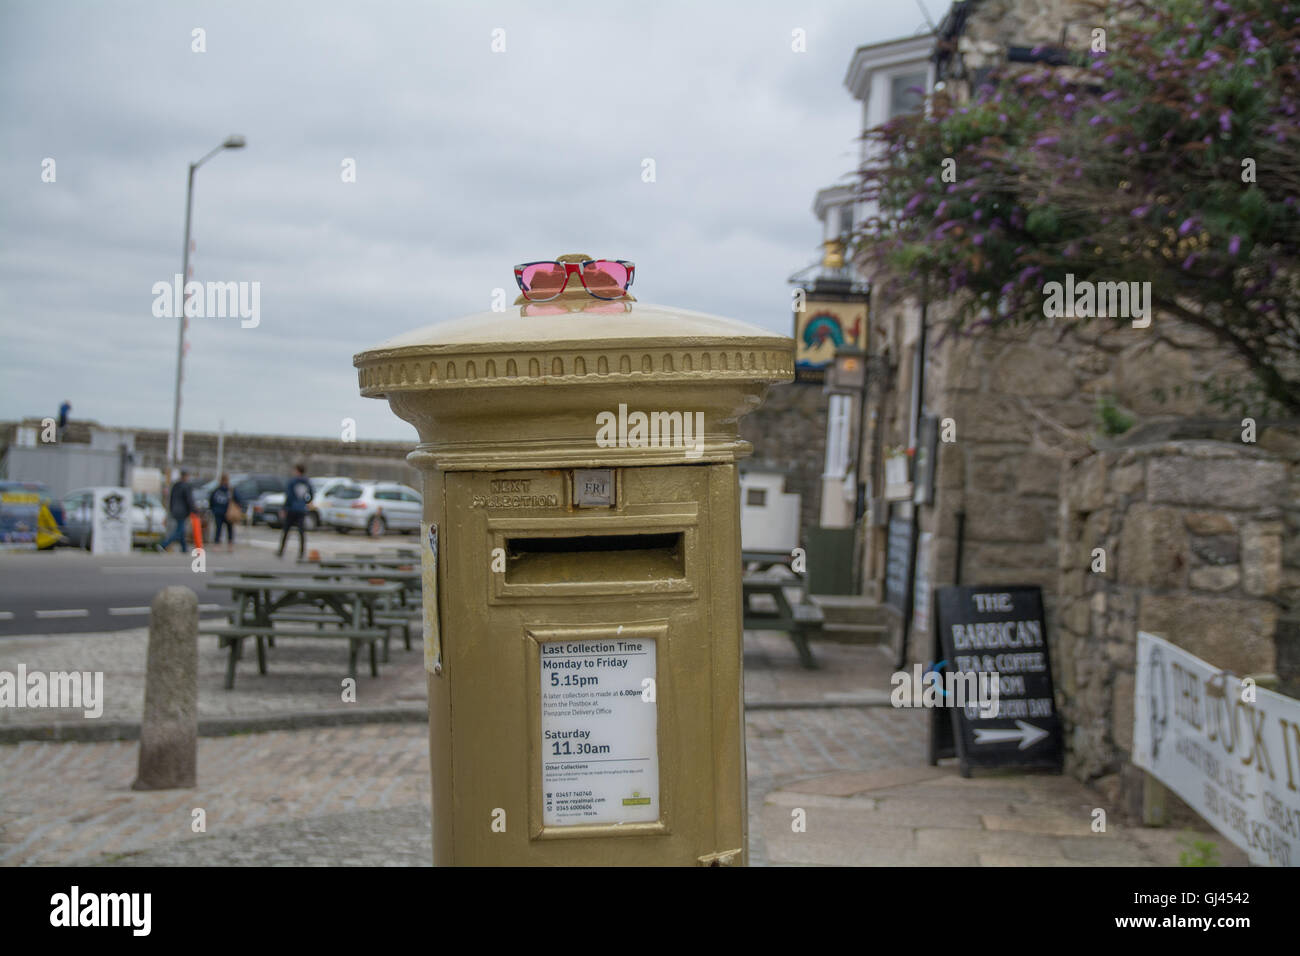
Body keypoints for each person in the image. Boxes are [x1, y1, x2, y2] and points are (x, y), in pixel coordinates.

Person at [277, 464, 313, 559]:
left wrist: (284, 508)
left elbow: (289, 496)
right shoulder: (307, 482)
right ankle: (301, 552)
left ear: (297, 471)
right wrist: (306, 502)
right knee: (301, 531)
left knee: (286, 530)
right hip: (301, 509)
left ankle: (281, 550)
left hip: (292, 509)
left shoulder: (292, 482)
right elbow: (310, 495)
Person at [158, 470, 196, 553]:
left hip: (175, 510)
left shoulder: (175, 485)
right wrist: (194, 510)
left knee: (181, 529)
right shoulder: (186, 486)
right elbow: (189, 500)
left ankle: (184, 549)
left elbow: (171, 498)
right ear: (185, 476)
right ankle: (164, 544)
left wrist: (171, 509)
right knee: (180, 531)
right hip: (182, 511)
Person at [209, 473, 240, 552]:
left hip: (228, 513)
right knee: (218, 529)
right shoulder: (216, 490)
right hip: (219, 513)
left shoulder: (230, 490)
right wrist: (213, 510)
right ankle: (217, 544)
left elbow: (237, 500)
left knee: (229, 529)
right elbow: (211, 501)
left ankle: (230, 545)